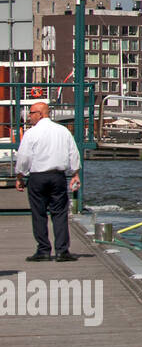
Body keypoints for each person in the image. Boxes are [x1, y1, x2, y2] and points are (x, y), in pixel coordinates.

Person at [15, 101, 81, 262]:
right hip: (57, 176)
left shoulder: (32, 133)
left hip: (38, 177)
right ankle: (62, 250)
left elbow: (24, 157)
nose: (29, 116)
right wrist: (75, 173)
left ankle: (43, 250)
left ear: (41, 114)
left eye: (31, 113)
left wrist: (19, 176)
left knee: (39, 214)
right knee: (59, 213)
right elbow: (73, 152)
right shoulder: (62, 131)